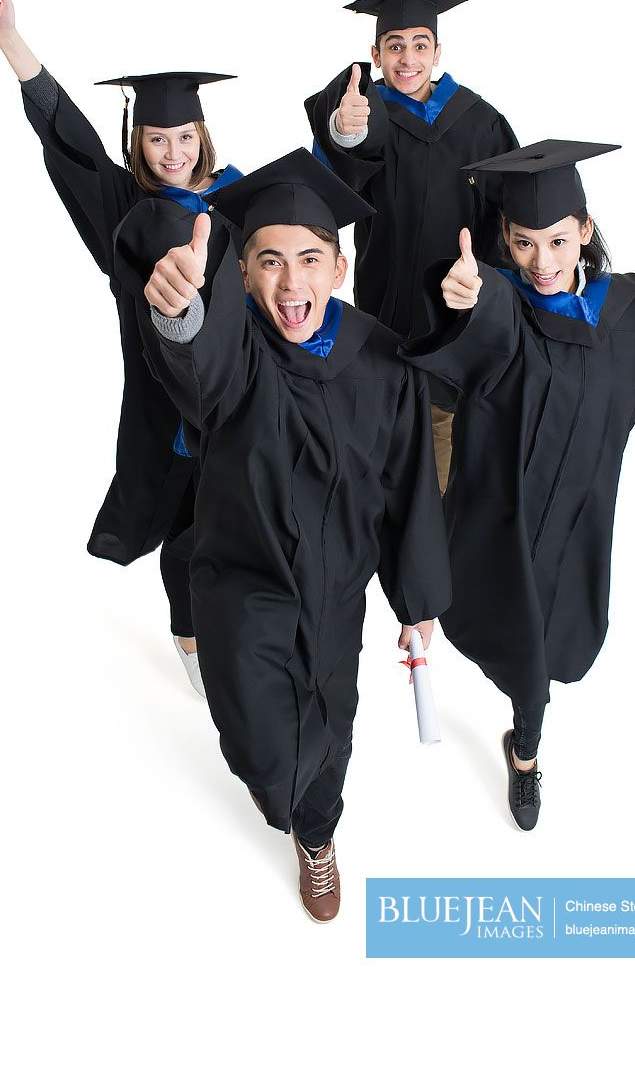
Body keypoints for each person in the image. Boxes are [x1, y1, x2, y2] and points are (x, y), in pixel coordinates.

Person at [114, 149, 451, 921]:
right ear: (240, 272)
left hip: (337, 591)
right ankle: (285, 797)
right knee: (262, 746)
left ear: (340, 266)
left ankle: (319, 838)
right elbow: (198, 371)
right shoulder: (238, 348)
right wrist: (178, 311)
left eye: (308, 259)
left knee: (333, 728)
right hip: (243, 581)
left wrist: (416, 596)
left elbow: (407, 485)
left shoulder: (386, 360)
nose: (289, 283)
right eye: (267, 260)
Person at [401, 139, 635, 830]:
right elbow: (467, 328)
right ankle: (526, 753)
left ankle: (524, 733)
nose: (539, 262)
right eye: (521, 244)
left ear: (584, 229)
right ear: (503, 241)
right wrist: (458, 297)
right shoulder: (503, 304)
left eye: (555, 241)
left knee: (552, 641)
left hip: (580, 518)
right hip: (497, 515)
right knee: (523, 651)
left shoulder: (630, 311)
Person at [0, 0, 242, 696]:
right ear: (139, 141)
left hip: (243, 398)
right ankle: (189, 635)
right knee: (185, 534)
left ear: (202, 134)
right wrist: (12, 46)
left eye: (185, 136)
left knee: (244, 523)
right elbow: (72, 143)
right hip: (171, 408)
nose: (174, 151)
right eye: (158, 137)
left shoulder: (240, 196)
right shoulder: (126, 209)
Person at [305, 0, 519, 493]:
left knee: (442, 437)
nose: (408, 58)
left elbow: (514, 219)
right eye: (395, 46)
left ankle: (433, 548)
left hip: (456, 315)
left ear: (437, 51)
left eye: (420, 45)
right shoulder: (363, 117)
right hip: (380, 305)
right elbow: (323, 195)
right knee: (376, 426)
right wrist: (342, 133)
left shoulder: (479, 122)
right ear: (375, 54)